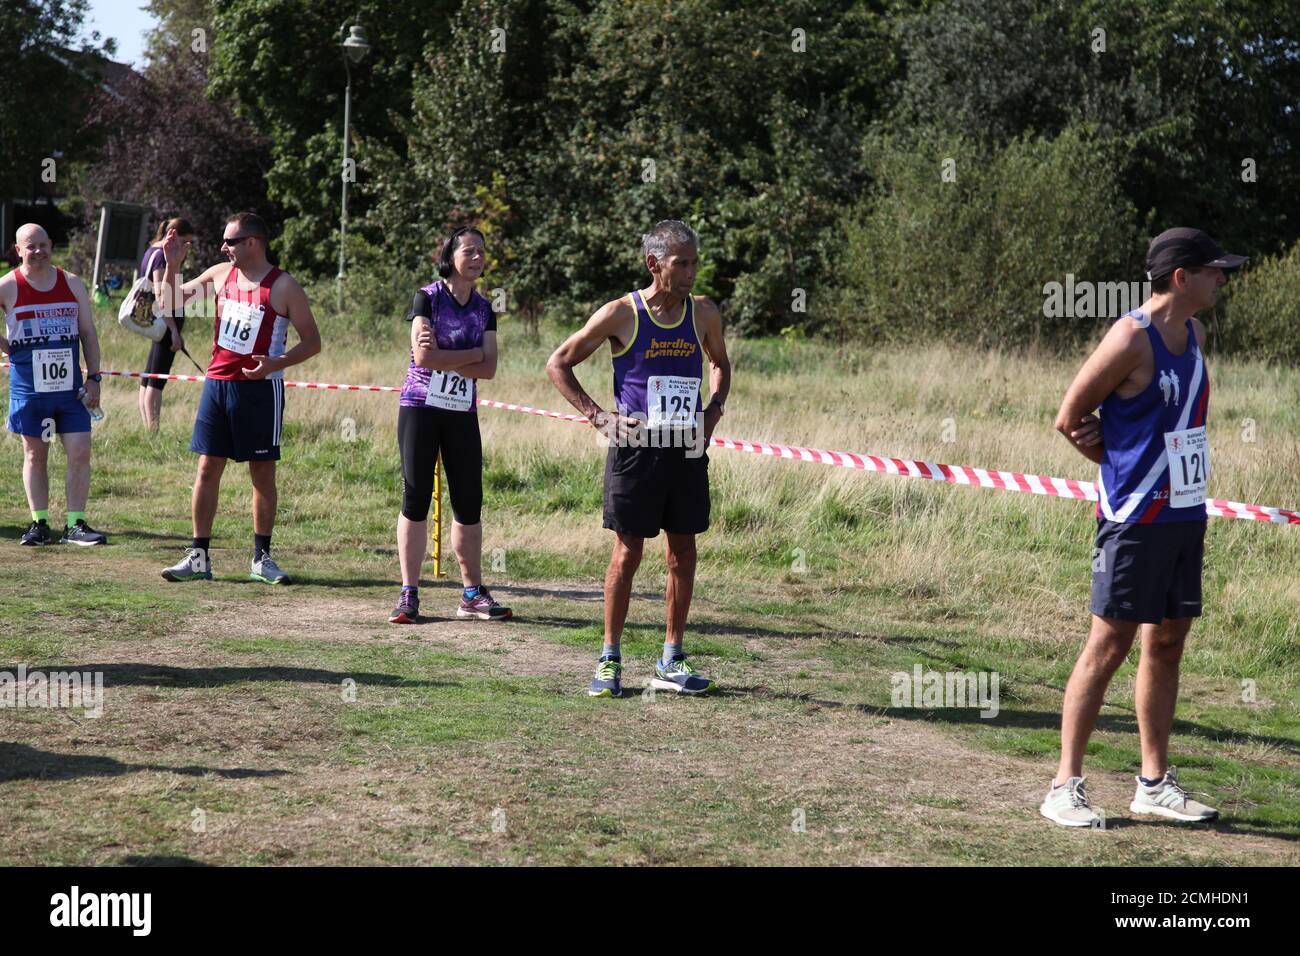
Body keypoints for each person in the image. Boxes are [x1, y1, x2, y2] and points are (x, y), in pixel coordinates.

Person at [1041, 227, 1246, 827]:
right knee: (1108, 646)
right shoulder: (1130, 335)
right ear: (1181, 277)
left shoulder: (1198, 334)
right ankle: (1064, 785)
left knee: (1167, 643)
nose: (1222, 279)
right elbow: (1069, 416)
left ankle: (1153, 783)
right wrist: (1118, 467)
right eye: (1214, 270)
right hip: (1133, 521)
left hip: (1185, 515)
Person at [547, 220, 731, 697]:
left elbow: (720, 365)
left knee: (683, 551)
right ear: (654, 264)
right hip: (637, 449)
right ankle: (609, 659)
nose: (691, 272)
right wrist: (598, 417)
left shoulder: (704, 312)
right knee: (628, 552)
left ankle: (672, 658)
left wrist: (713, 413)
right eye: (681, 264)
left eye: (694, 262)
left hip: (687, 449)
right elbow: (559, 362)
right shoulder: (620, 314)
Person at [156, 212, 321, 584]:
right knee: (206, 468)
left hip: (262, 390)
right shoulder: (219, 274)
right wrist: (172, 265)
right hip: (218, 384)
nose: (223, 247)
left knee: (261, 473)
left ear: (253, 243)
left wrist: (275, 363)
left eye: (230, 242)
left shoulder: (284, 286)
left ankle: (262, 558)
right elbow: (170, 304)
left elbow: (313, 342)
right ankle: (198, 555)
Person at [391, 226, 511, 624]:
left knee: (469, 502)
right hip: (420, 408)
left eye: (482, 252)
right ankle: (409, 595)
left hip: (461, 413)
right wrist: (473, 353)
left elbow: (490, 368)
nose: (477, 258)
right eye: (469, 251)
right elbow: (423, 359)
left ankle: (472, 594)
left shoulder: (484, 309)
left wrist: (453, 353)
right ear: (451, 255)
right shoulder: (426, 298)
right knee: (416, 498)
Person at [1, 224, 107, 545]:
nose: (38, 251)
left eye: (43, 245)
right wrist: (8, 347)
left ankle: (75, 524)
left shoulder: (72, 283)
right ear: (18, 250)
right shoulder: (8, 286)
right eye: (30, 246)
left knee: (80, 451)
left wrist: (95, 378)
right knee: (35, 455)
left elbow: (87, 333)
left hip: (69, 390)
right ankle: (39, 524)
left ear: (51, 245)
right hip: (30, 390)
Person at [137, 217, 195, 430]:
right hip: (165, 323)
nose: (187, 247)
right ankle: (153, 430)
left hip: (157, 321)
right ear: (173, 235)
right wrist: (173, 331)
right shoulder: (162, 256)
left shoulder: (151, 250)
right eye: (186, 241)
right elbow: (164, 297)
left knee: (149, 374)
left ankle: (148, 429)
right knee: (157, 379)